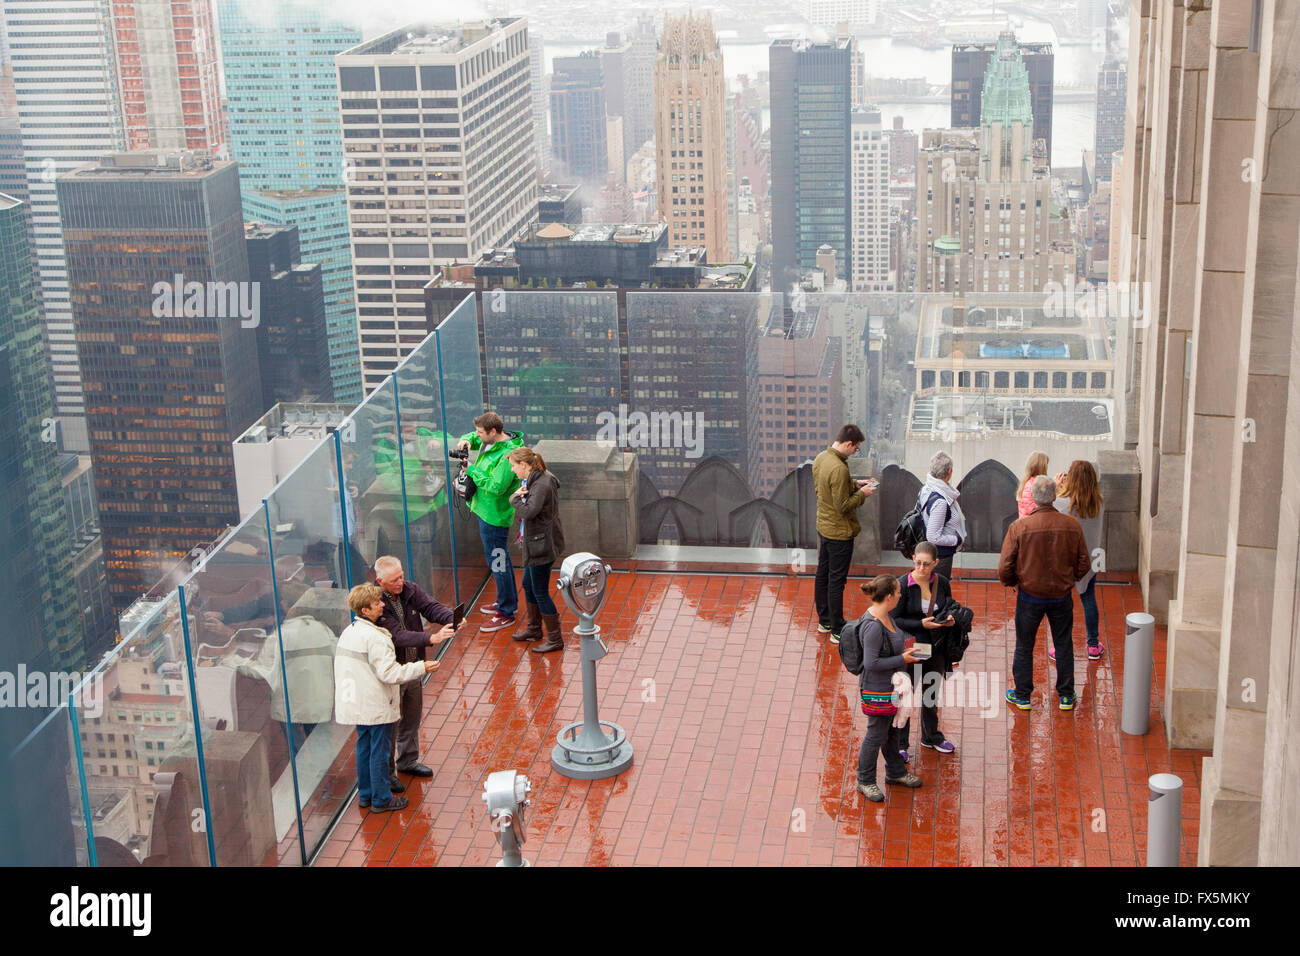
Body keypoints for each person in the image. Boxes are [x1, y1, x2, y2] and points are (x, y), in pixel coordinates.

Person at [334, 585, 439, 812]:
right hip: (375, 704)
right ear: (365, 610)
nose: (382, 604)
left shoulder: (349, 632)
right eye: (376, 603)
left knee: (364, 747)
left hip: (356, 703)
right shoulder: (376, 638)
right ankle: (382, 798)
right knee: (380, 752)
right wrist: (422, 666)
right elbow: (390, 674)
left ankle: (366, 794)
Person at [998, 476, 1090, 711]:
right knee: (1063, 643)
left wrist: (1015, 583)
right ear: (1055, 496)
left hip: (1030, 595)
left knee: (1025, 645)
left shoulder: (1019, 527)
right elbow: (1084, 562)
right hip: (1061, 595)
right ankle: (1066, 695)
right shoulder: (1071, 525)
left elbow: (1004, 567)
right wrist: (1070, 579)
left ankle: (1023, 695)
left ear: (1034, 499)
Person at [372, 555, 457, 785]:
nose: (400, 582)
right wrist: (432, 637)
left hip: (414, 667)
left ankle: (407, 761)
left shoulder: (410, 589)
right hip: (394, 672)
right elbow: (397, 636)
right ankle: (388, 774)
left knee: (411, 716)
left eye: (401, 576)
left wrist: (452, 618)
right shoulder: (376, 604)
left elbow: (430, 607)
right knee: (391, 724)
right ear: (380, 581)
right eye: (394, 580)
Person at [854, 575, 923, 802]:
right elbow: (871, 664)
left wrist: (908, 649)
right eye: (898, 591)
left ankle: (895, 772)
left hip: (891, 688)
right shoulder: (873, 627)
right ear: (890, 596)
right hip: (877, 691)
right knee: (876, 734)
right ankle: (865, 780)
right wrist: (902, 658)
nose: (901, 594)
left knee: (892, 730)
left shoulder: (886, 617)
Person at [457, 412, 525, 632]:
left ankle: (506, 611)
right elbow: (477, 439)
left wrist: (472, 470)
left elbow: (497, 487)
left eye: (479, 432)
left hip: (494, 517)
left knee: (498, 563)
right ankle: (506, 600)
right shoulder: (495, 441)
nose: (477, 436)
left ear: (493, 432)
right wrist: (468, 438)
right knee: (498, 561)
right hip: (486, 512)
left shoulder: (507, 456)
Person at [812, 424, 877, 644]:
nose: (855, 452)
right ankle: (838, 629)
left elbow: (827, 489)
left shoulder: (822, 458)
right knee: (836, 581)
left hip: (824, 526)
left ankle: (825, 621)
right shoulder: (839, 468)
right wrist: (862, 493)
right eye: (856, 448)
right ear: (849, 444)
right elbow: (843, 505)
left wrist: (854, 483)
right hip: (839, 532)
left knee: (823, 574)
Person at [893, 541, 956, 757]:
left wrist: (949, 617)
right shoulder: (902, 585)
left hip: (935, 646)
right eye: (918, 563)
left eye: (927, 564)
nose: (921, 568)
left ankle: (931, 736)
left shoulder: (942, 582)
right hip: (912, 647)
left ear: (936, 563)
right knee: (906, 695)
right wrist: (921, 624)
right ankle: (900, 744)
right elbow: (894, 619)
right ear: (912, 559)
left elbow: (949, 604)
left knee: (931, 693)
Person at [507, 447, 567, 653]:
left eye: (514, 466)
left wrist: (514, 499)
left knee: (540, 591)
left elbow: (529, 511)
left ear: (524, 465)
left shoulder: (541, 483)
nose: (513, 470)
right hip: (537, 542)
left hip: (541, 545)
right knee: (528, 584)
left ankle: (555, 639)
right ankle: (534, 629)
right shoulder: (537, 479)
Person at [1053, 460, 1106, 661]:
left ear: (1071, 478)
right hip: (1092, 559)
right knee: (1089, 598)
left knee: (1062, 604)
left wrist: (1057, 486)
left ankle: (1060, 648)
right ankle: (1093, 644)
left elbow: (1043, 503)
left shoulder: (1062, 503)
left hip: (1066, 560)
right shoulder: (1099, 502)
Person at [919, 451, 967, 582]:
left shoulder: (928, 487)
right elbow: (933, 536)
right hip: (940, 556)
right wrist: (956, 540)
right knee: (938, 593)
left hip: (936, 554)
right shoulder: (941, 501)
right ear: (950, 471)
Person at [1018, 450, 1050, 519]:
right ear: (1042, 467)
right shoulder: (1031, 485)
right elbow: (1032, 510)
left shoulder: (1029, 482)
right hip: (1029, 526)